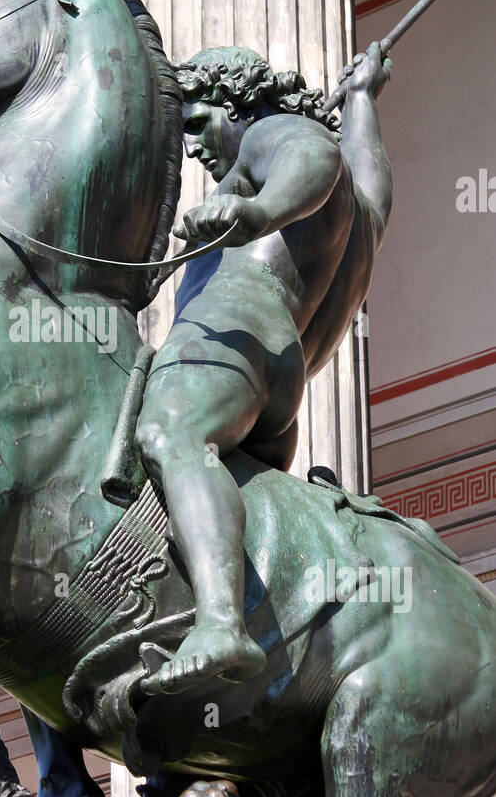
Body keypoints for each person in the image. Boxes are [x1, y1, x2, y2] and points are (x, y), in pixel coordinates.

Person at [137, 41, 393, 694]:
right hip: (274, 394)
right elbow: (372, 190)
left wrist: (254, 210)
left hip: (231, 349)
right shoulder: (352, 211)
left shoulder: (272, 142)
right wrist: (361, 97)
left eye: (198, 122)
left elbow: (313, 154)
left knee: (170, 436)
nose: (194, 146)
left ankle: (221, 624)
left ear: (238, 104)